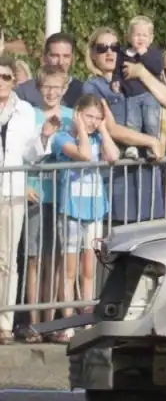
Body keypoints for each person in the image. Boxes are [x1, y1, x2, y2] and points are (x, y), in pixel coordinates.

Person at [81, 28, 166, 223]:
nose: (109, 52)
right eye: (102, 48)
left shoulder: (135, 76)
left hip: (147, 170)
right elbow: (111, 128)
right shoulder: (92, 86)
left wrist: (142, 73)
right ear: (92, 54)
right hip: (119, 174)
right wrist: (151, 141)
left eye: (115, 47)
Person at [46, 96, 117, 341]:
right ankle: (67, 324)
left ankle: (87, 321)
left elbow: (113, 155)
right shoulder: (63, 138)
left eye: (97, 118)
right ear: (78, 115)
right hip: (71, 210)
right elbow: (85, 155)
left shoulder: (98, 136)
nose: (93, 122)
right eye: (89, 116)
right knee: (69, 270)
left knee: (89, 270)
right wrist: (81, 130)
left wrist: (104, 129)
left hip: (94, 209)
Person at [18, 71, 69, 344]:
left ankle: (51, 323)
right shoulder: (30, 115)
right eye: (46, 87)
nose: (51, 92)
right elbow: (24, 153)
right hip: (37, 194)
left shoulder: (72, 115)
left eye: (56, 87)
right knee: (34, 258)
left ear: (65, 87)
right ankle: (34, 323)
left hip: (64, 195)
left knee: (56, 260)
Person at [0, 54, 38, 343]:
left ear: (14, 80)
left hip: (11, 190)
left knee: (7, 260)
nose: (1, 82)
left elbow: (32, 155)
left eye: (6, 77)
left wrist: (46, 136)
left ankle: (4, 322)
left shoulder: (24, 110)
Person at [17, 35, 83, 111]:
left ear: (72, 59)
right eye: (55, 56)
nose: (60, 62)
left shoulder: (81, 91)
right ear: (44, 57)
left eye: (66, 56)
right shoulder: (25, 92)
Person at [121, 18, 165, 100]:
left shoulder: (153, 53)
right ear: (129, 37)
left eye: (144, 35)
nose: (140, 38)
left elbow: (158, 68)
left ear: (151, 39)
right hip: (130, 97)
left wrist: (144, 55)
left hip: (150, 95)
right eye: (137, 35)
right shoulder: (124, 54)